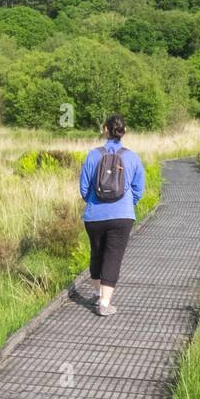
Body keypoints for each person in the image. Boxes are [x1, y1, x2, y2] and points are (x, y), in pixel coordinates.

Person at [76, 114, 145, 316]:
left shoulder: (92, 155)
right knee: (113, 256)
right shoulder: (132, 157)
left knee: (97, 254)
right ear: (124, 131)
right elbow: (139, 188)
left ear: (105, 129)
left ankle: (98, 294)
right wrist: (127, 205)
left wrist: (94, 202)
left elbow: (83, 188)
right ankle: (105, 303)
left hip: (94, 216)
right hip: (122, 216)